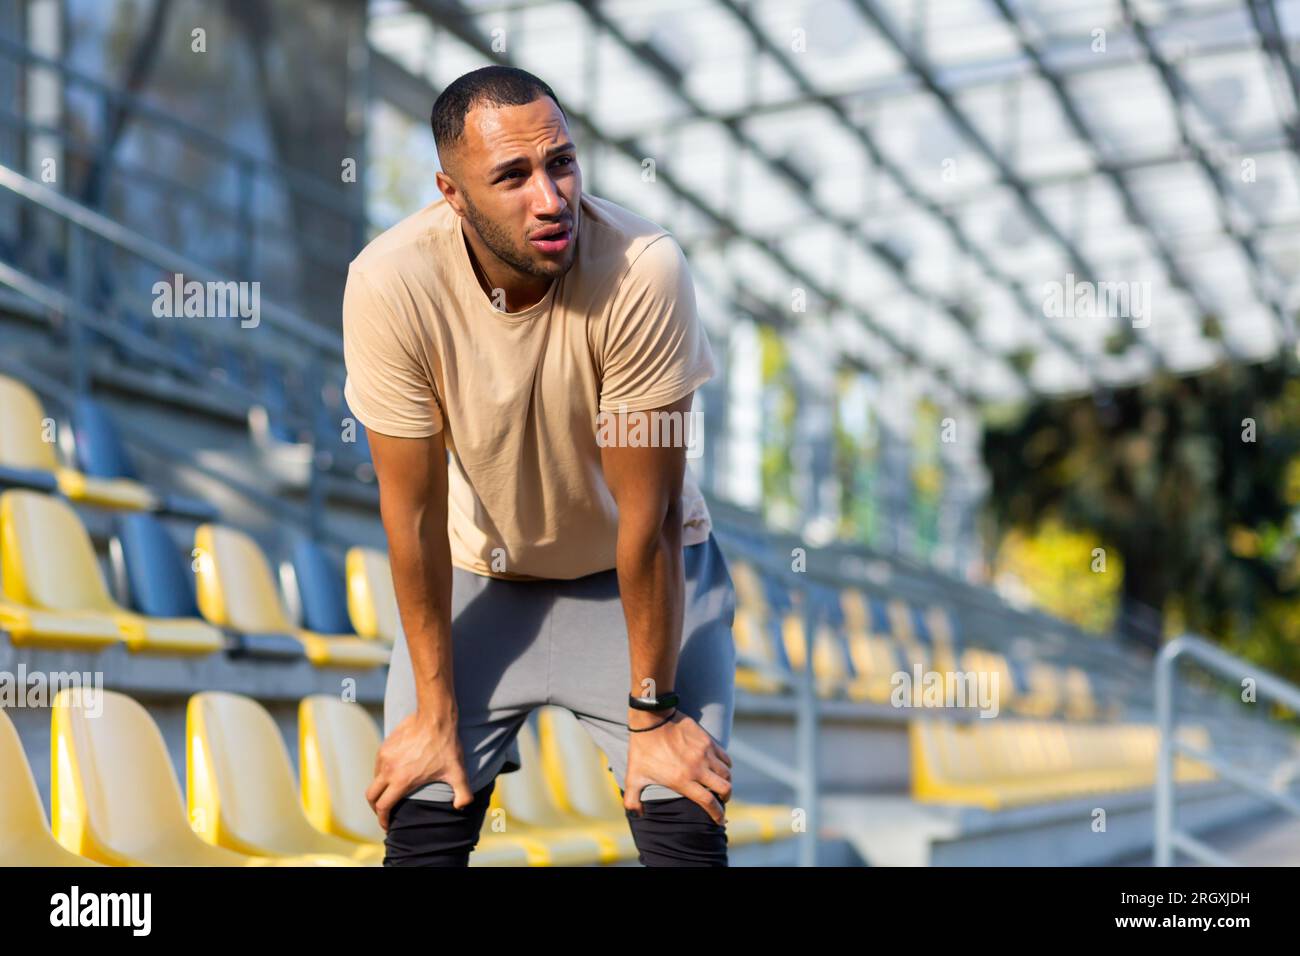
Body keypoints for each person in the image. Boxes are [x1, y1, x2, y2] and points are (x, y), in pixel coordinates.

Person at [342, 64, 737, 867]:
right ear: (452, 195)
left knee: (683, 820)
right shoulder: (389, 284)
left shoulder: (641, 270)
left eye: (560, 162)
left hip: (639, 582)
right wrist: (432, 709)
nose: (551, 198)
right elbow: (410, 517)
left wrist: (653, 715)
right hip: (485, 576)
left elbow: (649, 520)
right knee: (421, 811)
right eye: (512, 176)